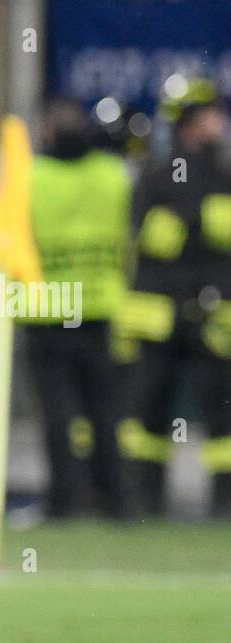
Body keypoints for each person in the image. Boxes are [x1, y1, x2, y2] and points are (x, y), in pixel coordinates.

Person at [116, 75, 231, 516]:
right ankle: (141, 501)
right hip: (159, 317)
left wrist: (188, 221)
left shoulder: (222, 172)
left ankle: (224, 503)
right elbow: (151, 238)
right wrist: (205, 222)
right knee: (147, 415)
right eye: (210, 114)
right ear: (188, 120)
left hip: (213, 313)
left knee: (222, 416)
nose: (219, 122)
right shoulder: (156, 175)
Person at [19, 98, 131, 520]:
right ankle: (114, 499)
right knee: (103, 409)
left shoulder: (31, 177)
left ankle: (63, 499)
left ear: (47, 130)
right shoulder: (112, 175)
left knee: (57, 414)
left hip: (44, 309)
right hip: (99, 306)